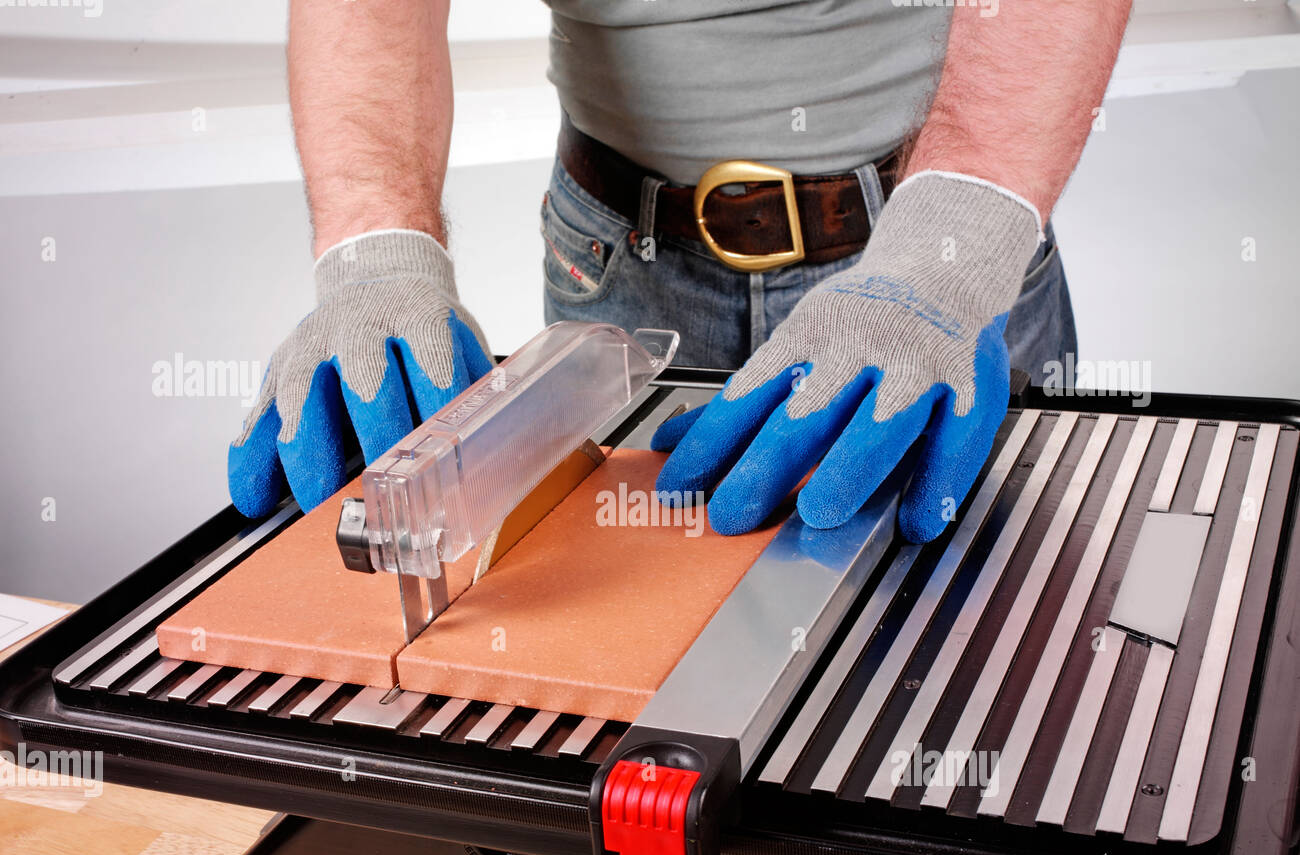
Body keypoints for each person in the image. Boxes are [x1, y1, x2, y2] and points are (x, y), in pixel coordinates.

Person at [229, 0, 1130, 544]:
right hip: (623, 262)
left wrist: (953, 254)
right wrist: (374, 261)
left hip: (938, 259)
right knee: (645, 690)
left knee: (963, 660)